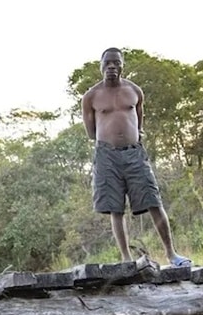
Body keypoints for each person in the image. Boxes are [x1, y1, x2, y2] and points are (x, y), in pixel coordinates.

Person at [81, 47, 191, 267]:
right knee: (115, 208)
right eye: (107, 63)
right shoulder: (91, 96)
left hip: (134, 153)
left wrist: (131, 140)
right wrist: (110, 141)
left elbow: (139, 121)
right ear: (101, 66)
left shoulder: (134, 91)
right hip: (107, 156)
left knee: (153, 201)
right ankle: (126, 260)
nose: (112, 67)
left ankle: (172, 255)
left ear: (122, 65)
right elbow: (91, 131)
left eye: (116, 62)